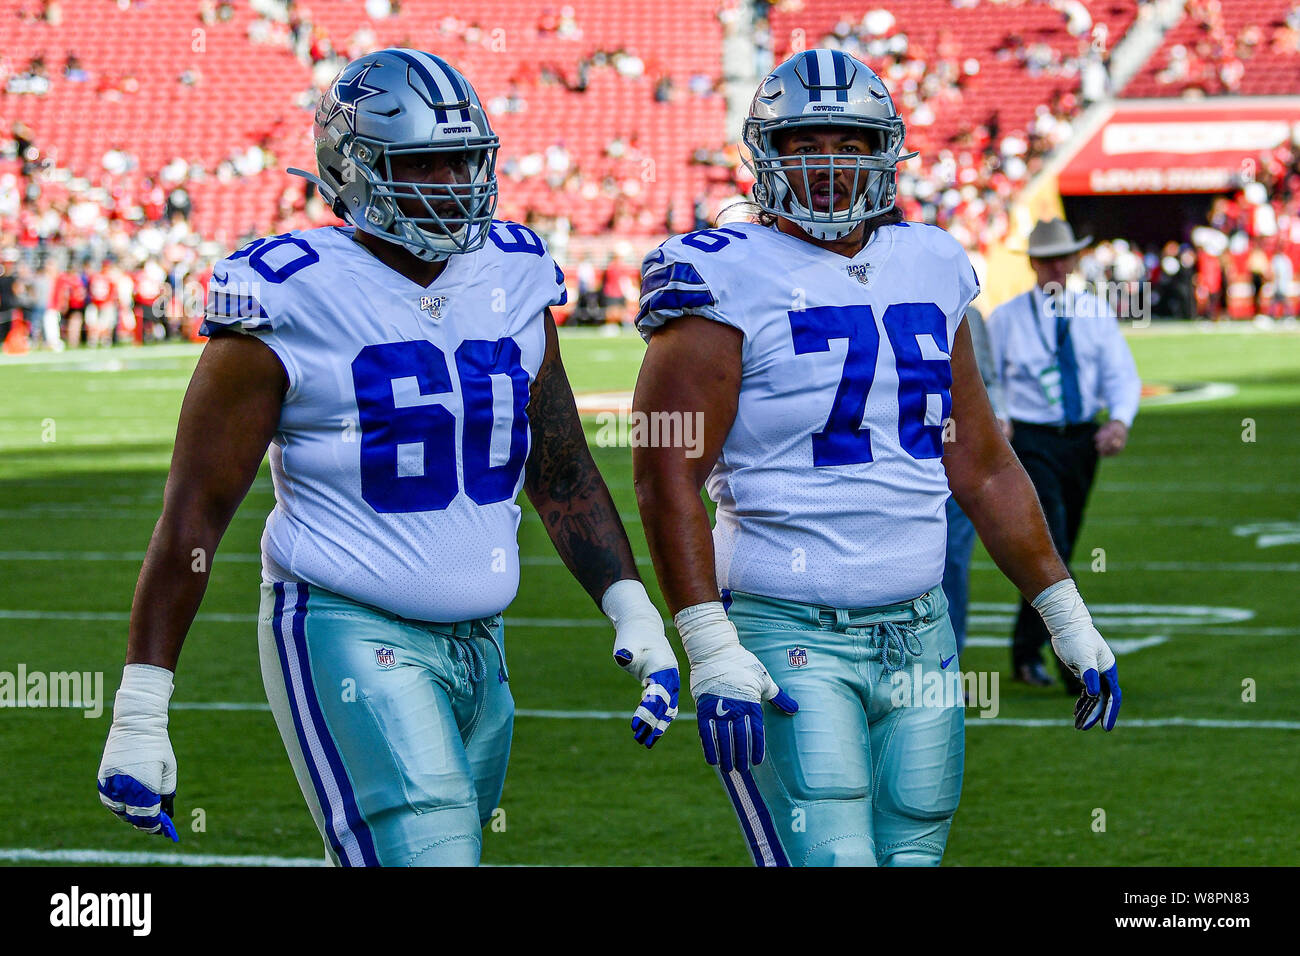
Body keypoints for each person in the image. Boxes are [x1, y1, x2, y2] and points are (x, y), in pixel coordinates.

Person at [96, 49, 680, 866]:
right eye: (420, 162)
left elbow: (561, 467)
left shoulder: (513, 272)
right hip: (346, 625)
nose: (448, 181)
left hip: (483, 646)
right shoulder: (289, 292)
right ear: (352, 169)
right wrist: (140, 708)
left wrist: (634, 612)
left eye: (462, 159)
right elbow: (192, 517)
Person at [632, 49, 1122, 868]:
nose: (831, 163)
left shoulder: (930, 262)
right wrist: (709, 642)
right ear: (766, 154)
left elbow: (985, 463)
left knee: (913, 856)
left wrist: (1063, 612)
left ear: (886, 150)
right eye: (806, 143)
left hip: (922, 631)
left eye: (852, 142)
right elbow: (662, 472)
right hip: (786, 626)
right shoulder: (720, 274)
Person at [986, 218, 1140, 691]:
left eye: (1062, 258)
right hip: (1030, 440)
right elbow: (988, 379)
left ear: (1074, 261)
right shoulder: (1007, 318)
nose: (1055, 266)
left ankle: (1027, 650)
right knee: (1051, 538)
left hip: (1080, 441)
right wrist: (1002, 417)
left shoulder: (1095, 312)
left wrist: (1119, 420)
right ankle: (1075, 659)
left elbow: (1121, 372)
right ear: (1033, 264)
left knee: (1059, 544)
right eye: (1047, 259)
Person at [941, 305, 1005, 653]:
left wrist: (999, 418)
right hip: (899, 457)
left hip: (957, 456)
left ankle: (949, 662)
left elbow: (986, 378)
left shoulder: (966, 309)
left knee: (951, 560)